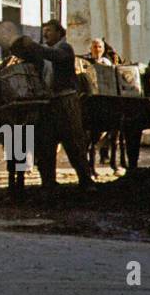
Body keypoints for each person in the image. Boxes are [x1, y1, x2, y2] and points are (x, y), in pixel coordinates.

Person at [9, 20, 93, 188]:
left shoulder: (65, 48)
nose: (45, 34)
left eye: (49, 30)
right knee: (45, 144)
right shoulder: (45, 51)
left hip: (66, 100)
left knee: (74, 144)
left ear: (59, 33)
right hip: (48, 102)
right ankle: (48, 183)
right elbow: (34, 57)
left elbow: (53, 56)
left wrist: (32, 46)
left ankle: (86, 181)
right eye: (44, 30)